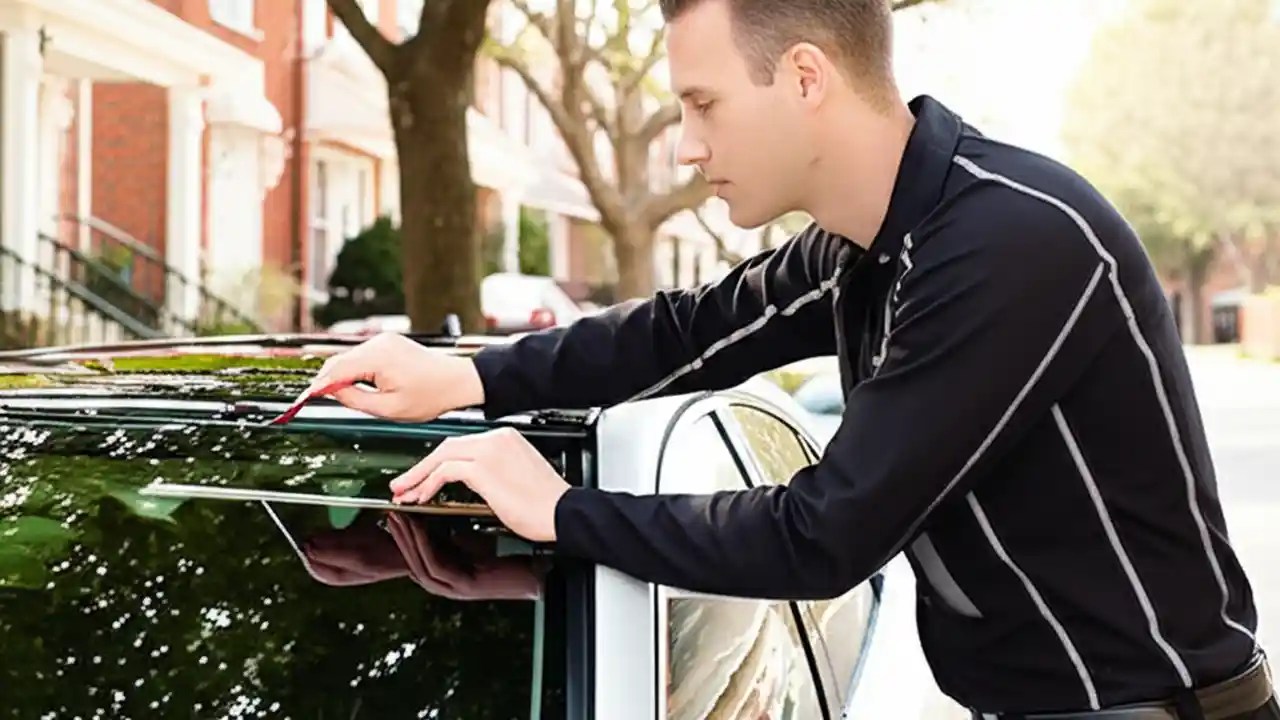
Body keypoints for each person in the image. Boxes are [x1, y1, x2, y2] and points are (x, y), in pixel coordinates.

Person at [300, 0, 1275, 717]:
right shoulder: (862, 247)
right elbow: (685, 333)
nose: (684, 146)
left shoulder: (1012, 243)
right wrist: (467, 377)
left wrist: (556, 510)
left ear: (804, 77)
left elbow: (822, 535)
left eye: (702, 104)